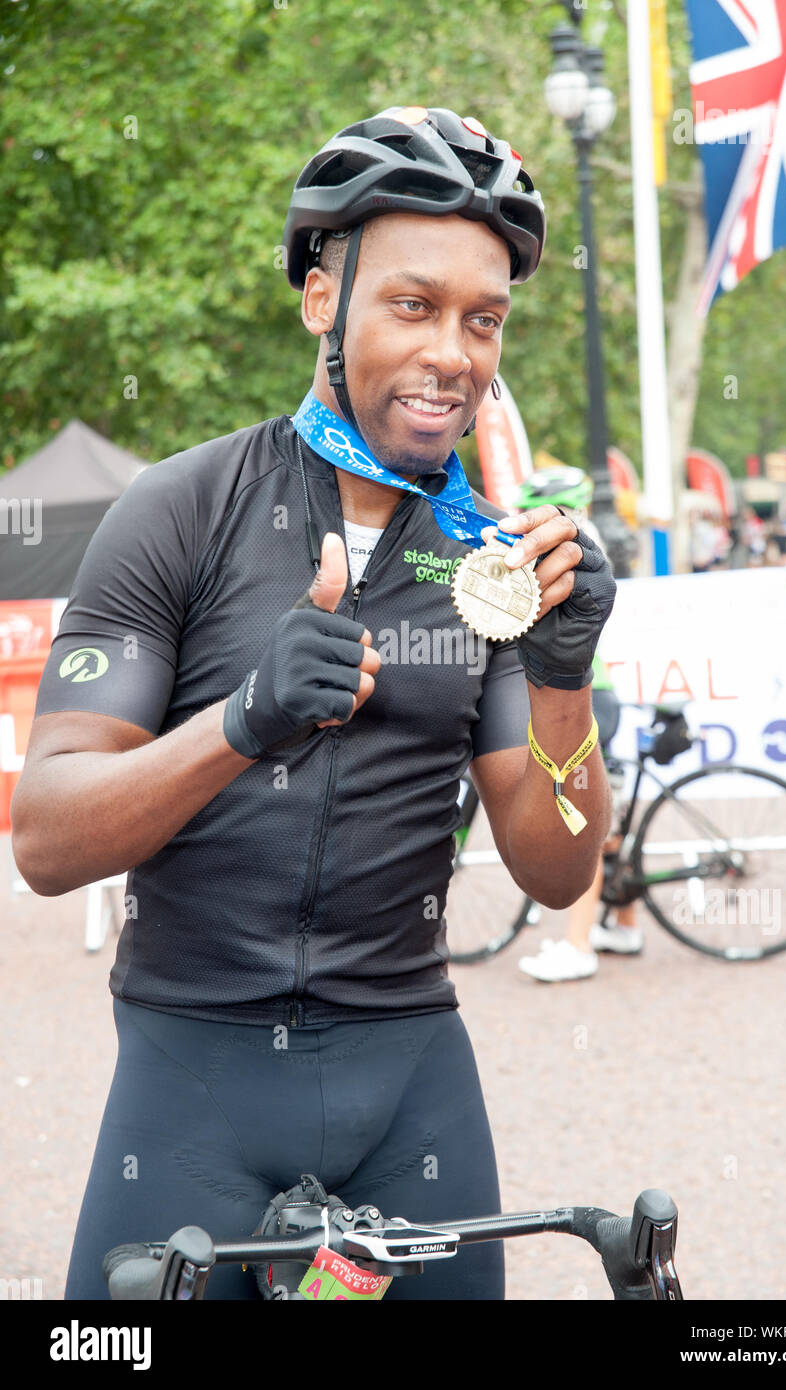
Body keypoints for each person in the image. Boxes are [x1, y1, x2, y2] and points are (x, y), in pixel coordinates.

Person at [10, 106, 617, 1301]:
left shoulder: (486, 565)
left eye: (482, 319)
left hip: (411, 1081)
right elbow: (45, 836)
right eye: (412, 304)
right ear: (318, 300)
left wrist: (559, 675)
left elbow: (555, 871)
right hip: (190, 1085)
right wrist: (243, 721)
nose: (454, 350)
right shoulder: (179, 510)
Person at [508, 467, 642, 983]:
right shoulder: (589, 537)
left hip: (584, 694)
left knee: (575, 813)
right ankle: (625, 926)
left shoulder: (569, 543)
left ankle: (578, 943)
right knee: (605, 817)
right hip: (601, 690)